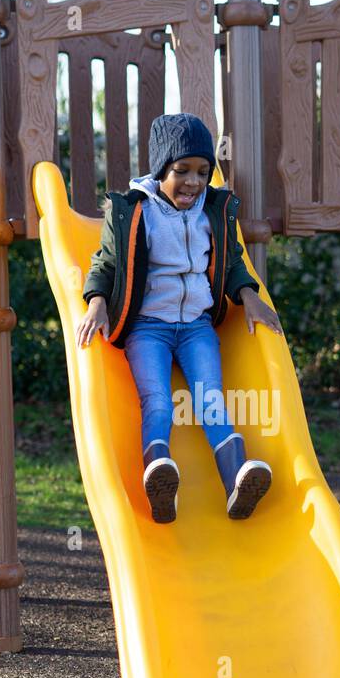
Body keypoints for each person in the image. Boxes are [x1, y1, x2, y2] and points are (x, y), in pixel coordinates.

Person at [76, 113, 283, 523]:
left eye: (203, 172)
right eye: (182, 171)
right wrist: (96, 302)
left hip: (196, 327)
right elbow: (106, 264)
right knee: (157, 403)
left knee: (210, 400)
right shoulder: (135, 213)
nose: (194, 181)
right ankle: (160, 480)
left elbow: (232, 261)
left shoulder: (213, 210)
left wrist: (249, 296)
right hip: (147, 329)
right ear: (161, 170)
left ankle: (236, 481)